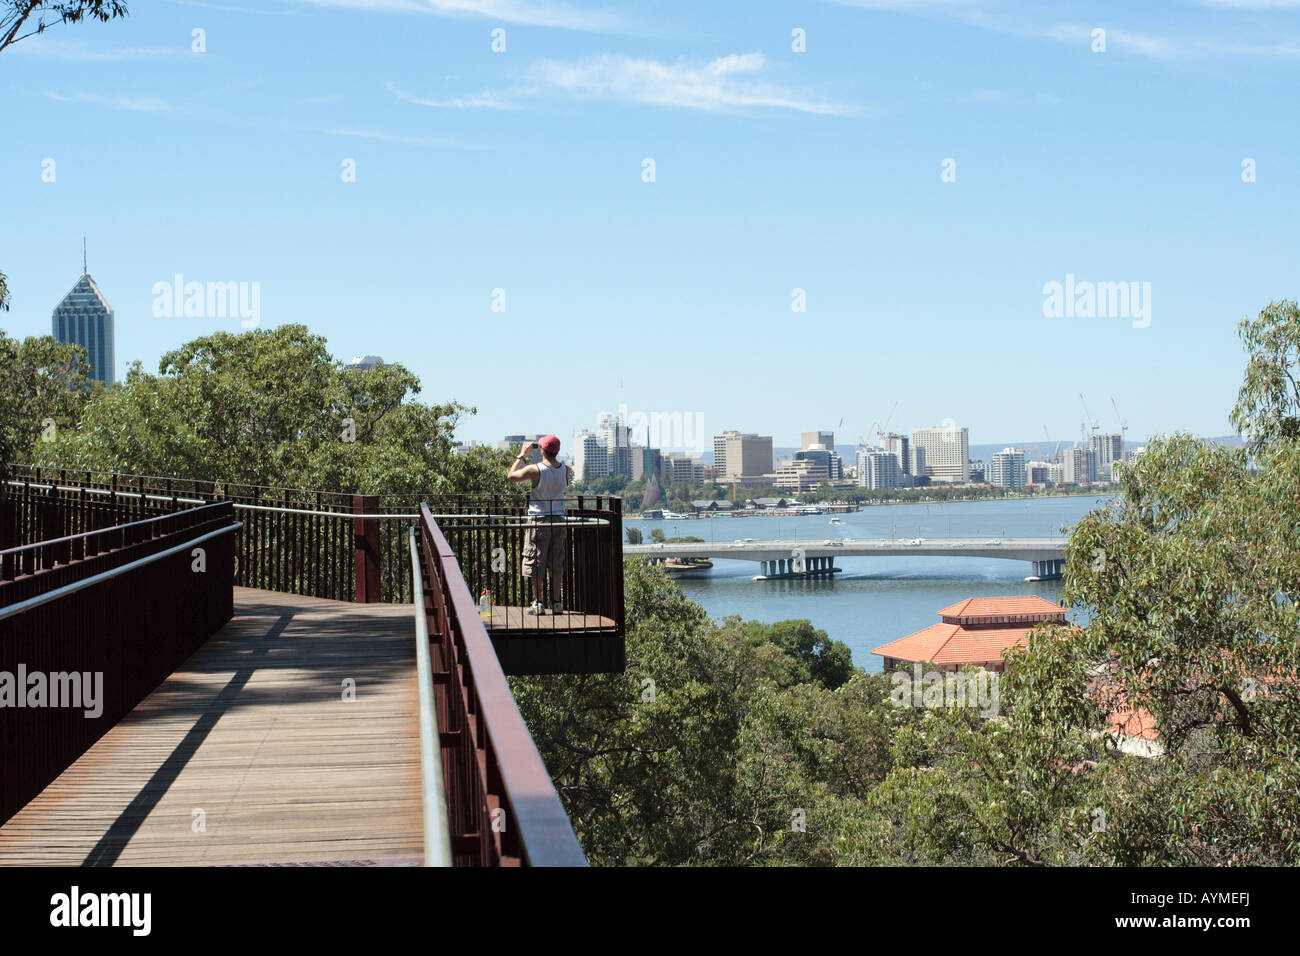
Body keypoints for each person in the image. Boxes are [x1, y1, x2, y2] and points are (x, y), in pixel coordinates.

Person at [507, 435, 573, 615]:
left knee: (536, 560)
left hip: (539, 520)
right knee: (556, 560)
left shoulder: (535, 470)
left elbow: (511, 476)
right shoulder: (565, 470)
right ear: (557, 451)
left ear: (542, 450)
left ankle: (538, 602)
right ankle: (557, 602)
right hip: (559, 519)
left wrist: (522, 455)